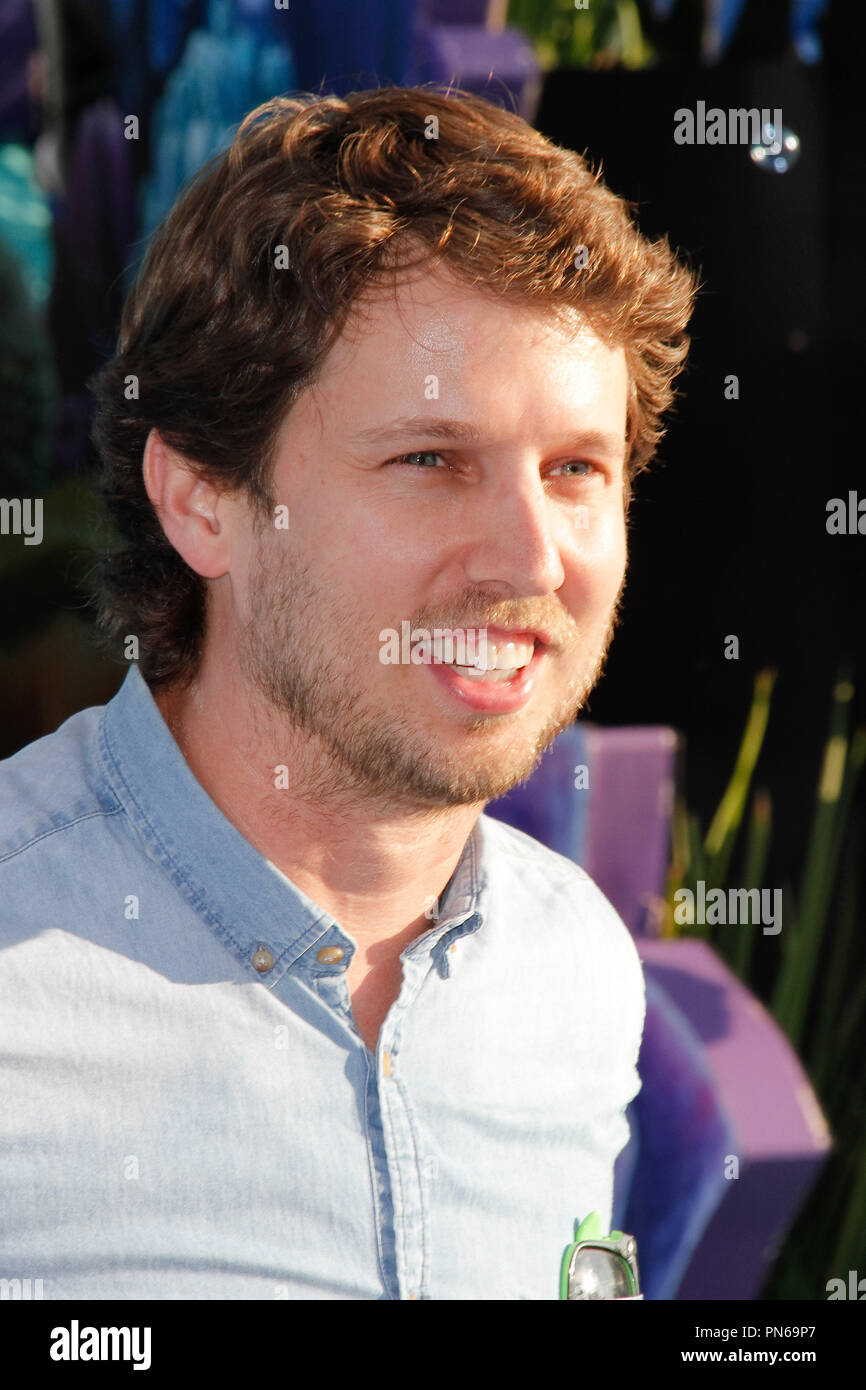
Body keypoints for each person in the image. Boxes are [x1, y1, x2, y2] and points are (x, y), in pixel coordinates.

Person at [0, 85, 696, 1300]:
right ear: (202, 499)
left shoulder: (576, 972)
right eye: (430, 460)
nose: (531, 560)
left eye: (574, 468)